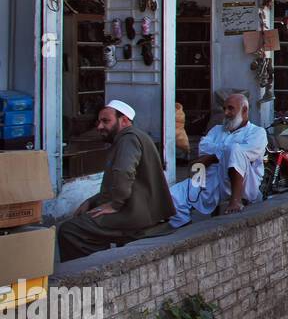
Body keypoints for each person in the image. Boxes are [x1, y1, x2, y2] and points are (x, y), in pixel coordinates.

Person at [56, 101, 175, 261]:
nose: (99, 126)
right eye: (99, 122)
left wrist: (115, 204)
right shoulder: (131, 138)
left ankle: (90, 273)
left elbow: (124, 173)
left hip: (134, 214)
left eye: (106, 121)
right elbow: (120, 182)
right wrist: (92, 201)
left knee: (70, 230)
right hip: (137, 210)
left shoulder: (129, 138)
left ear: (124, 120)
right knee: (84, 223)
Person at [168, 93, 268, 227]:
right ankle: (184, 229)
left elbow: (243, 153)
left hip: (242, 184)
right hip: (210, 181)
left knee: (235, 150)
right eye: (224, 108)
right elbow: (203, 148)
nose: (226, 113)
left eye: (231, 108)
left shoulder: (257, 132)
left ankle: (236, 200)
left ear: (244, 110)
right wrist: (222, 154)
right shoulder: (216, 130)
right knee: (172, 195)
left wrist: (213, 156)